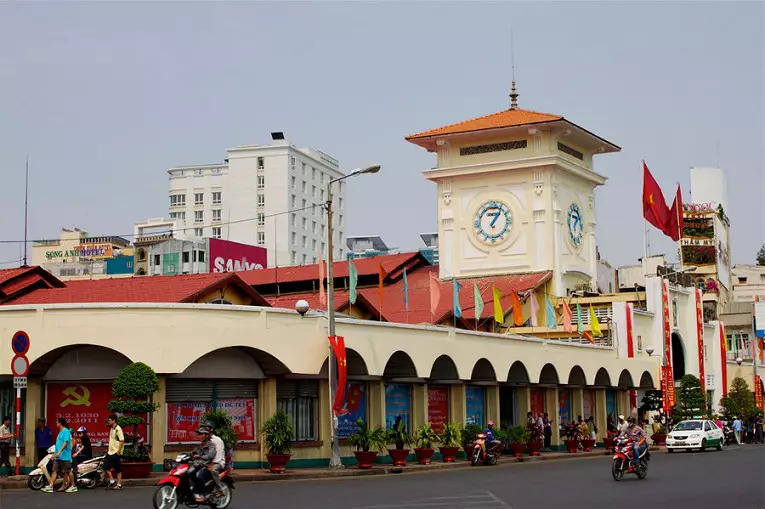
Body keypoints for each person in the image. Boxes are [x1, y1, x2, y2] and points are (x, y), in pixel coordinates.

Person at [42, 418, 76, 493]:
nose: (56, 424)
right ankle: (51, 486)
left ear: (60, 423)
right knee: (54, 471)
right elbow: (58, 445)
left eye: (57, 422)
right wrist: (54, 454)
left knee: (68, 471)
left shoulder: (66, 431)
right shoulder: (60, 432)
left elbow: (66, 442)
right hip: (58, 456)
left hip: (65, 456)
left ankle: (73, 486)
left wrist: (60, 451)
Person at [191, 425, 217, 503]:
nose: (199, 436)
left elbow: (211, 455)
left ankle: (201, 493)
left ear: (206, 435)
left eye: (201, 434)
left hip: (208, 465)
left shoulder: (211, 445)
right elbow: (192, 453)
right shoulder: (199, 446)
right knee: (189, 472)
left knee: (199, 474)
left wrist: (200, 456)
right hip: (198, 464)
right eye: (198, 434)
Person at [105, 414, 125, 490]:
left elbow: (122, 440)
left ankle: (119, 484)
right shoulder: (112, 428)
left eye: (110, 420)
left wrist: (119, 451)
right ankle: (112, 481)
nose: (109, 421)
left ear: (114, 420)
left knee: (118, 469)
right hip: (110, 452)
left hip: (116, 452)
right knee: (106, 467)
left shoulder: (118, 429)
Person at [208, 427, 226, 492]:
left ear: (211, 429)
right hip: (207, 462)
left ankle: (219, 488)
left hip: (219, 462)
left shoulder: (217, 440)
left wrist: (212, 463)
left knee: (213, 469)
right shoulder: (204, 440)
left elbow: (218, 455)